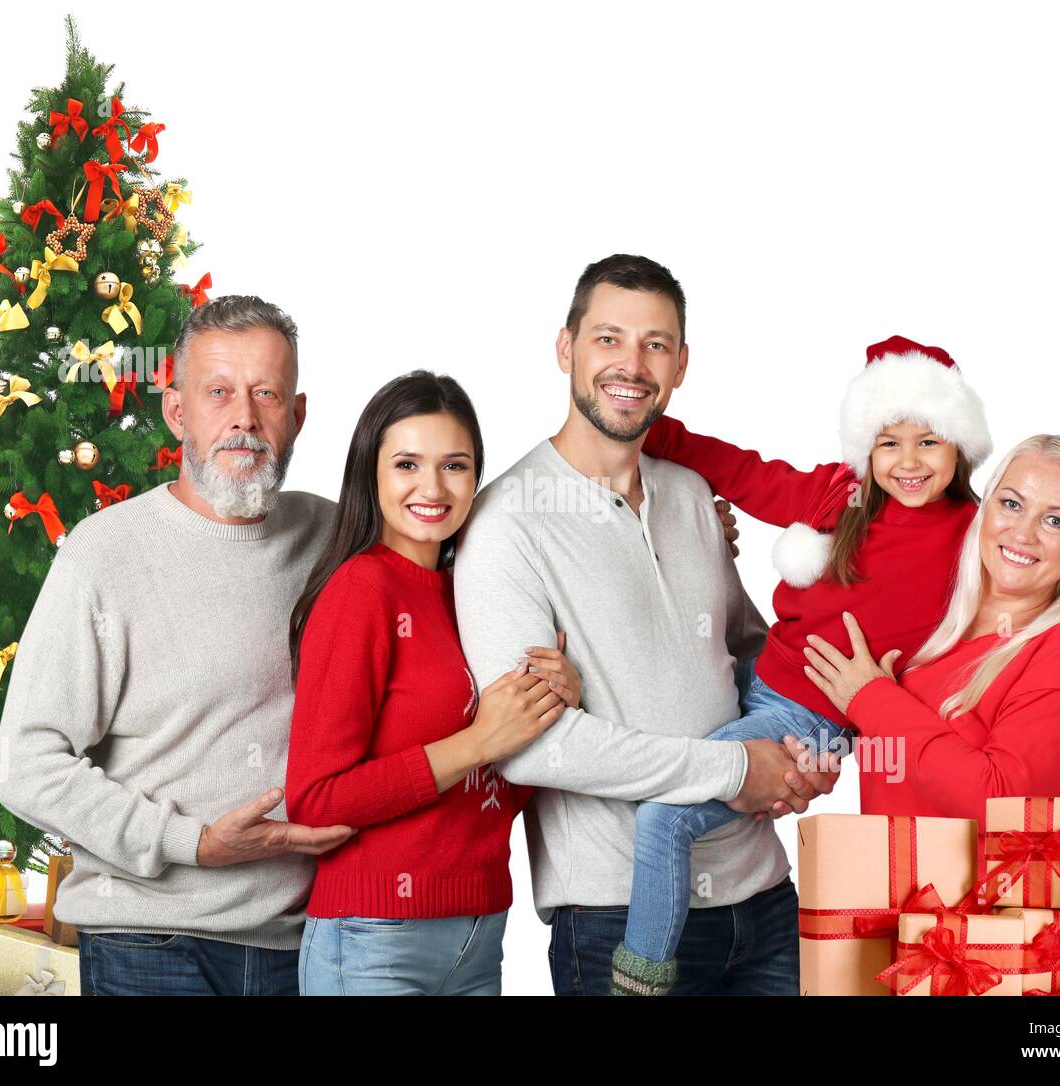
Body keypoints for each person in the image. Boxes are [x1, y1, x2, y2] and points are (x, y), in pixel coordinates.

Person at [453, 254, 837, 997]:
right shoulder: (507, 524)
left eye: (656, 344)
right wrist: (736, 771)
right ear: (565, 349)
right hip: (614, 913)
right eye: (608, 339)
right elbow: (534, 749)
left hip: (760, 899)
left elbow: (752, 653)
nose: (631, 364)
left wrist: (801, 750)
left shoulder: (694, 495)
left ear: (682, 364)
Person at [0, 295, 355, 996]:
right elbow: (25, 764)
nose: (244, 418)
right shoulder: (105, 554)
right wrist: (191, 843)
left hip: (304, 942)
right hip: (148, 940)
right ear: (178, 413)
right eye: (219, 392)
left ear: (298, 414)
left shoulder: (336, 538)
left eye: (266, 394)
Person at [615, 336, 993, 993]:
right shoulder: (837, 496)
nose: (909, 461)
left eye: (928, 442)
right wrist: (654, 434)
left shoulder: (974, 534)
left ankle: (640, 978)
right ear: (865, 449)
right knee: (635, 688)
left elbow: (1047, 596)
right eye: (889, 442)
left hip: (809, 718)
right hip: (752, 674)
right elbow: (746, 472)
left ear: (959, 447)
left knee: (665, 817)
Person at [285, 371, 580, 995]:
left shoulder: (476, 591)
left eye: (454, 465)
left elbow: (492, 791)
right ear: (372, 473)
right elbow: (316, 796)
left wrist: (552, 707)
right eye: (407, 464)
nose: (432, 487)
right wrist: (475, 741)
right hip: (373, 939)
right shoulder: (362, 591)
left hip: (480, 933)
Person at [801, 434, 1060, 847]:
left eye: (1056, 521)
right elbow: (916, 758)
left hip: (985, 911)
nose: (1023, 533)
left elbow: (1003, 805)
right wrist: (822, 751)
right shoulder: (934, 623)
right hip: (886, 900)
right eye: (1011, 504)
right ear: (984, 511)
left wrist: (872, 699)